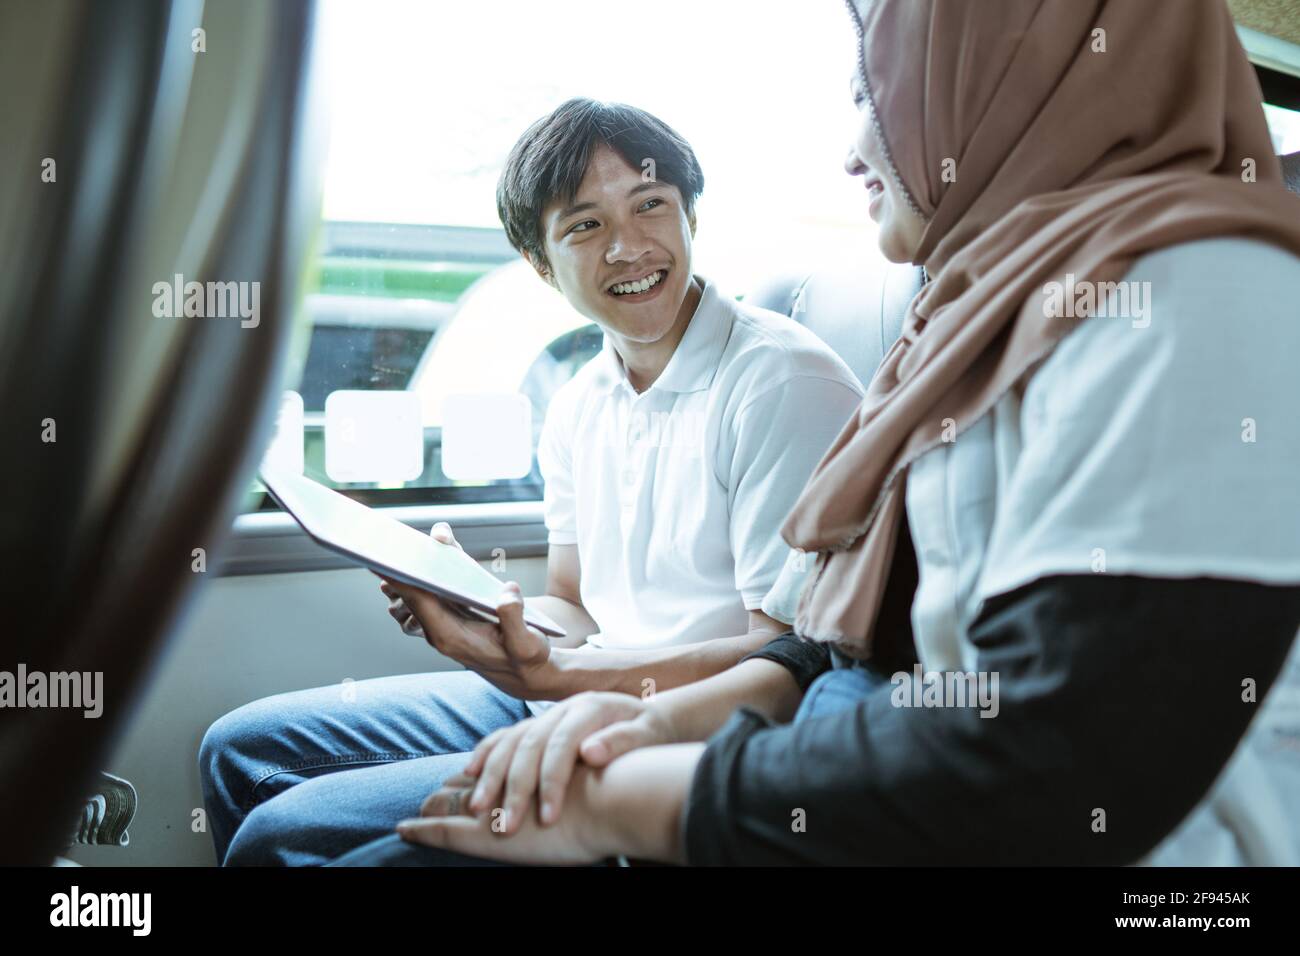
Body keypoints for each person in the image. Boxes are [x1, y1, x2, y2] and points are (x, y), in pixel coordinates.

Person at [330, 0, 1300, 866]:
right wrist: (641, 721)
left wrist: (620, 800)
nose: (849, 151)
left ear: (1003, 80)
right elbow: (848, 650)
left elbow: (1057, 761)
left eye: (870, 98)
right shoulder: (972, 315)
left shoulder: (1195, 290)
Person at [198, 98, 865, 865]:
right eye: (585, 226)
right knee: (237, 751)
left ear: (690, 219)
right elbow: (576, 606)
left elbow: (784, 660)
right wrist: (480, 604)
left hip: (682, 721)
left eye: (651, 206)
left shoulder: (781, 381)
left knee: (283, 836)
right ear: (541, 265)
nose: (628, 246)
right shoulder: (581, 401)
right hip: (569, 685)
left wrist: (559, 676)